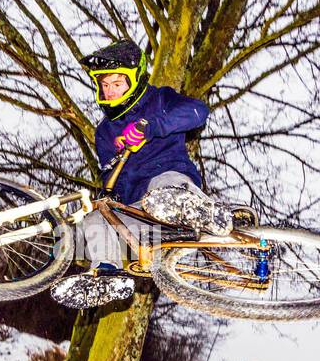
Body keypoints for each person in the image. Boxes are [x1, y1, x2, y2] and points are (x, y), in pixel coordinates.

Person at [50, 39, 233, 309]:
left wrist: (150, 126)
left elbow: (197, 112)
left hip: (169, 182)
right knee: (95, 221)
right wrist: (108, 196)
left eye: (117, 83)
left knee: (162, 189)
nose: (110, 91)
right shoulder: (104, 132)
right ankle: (107, 276)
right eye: (105, 85)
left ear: (133, 80)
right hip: (139, 210)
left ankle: (201, 211)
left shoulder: (159, 99)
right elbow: (111, 179)